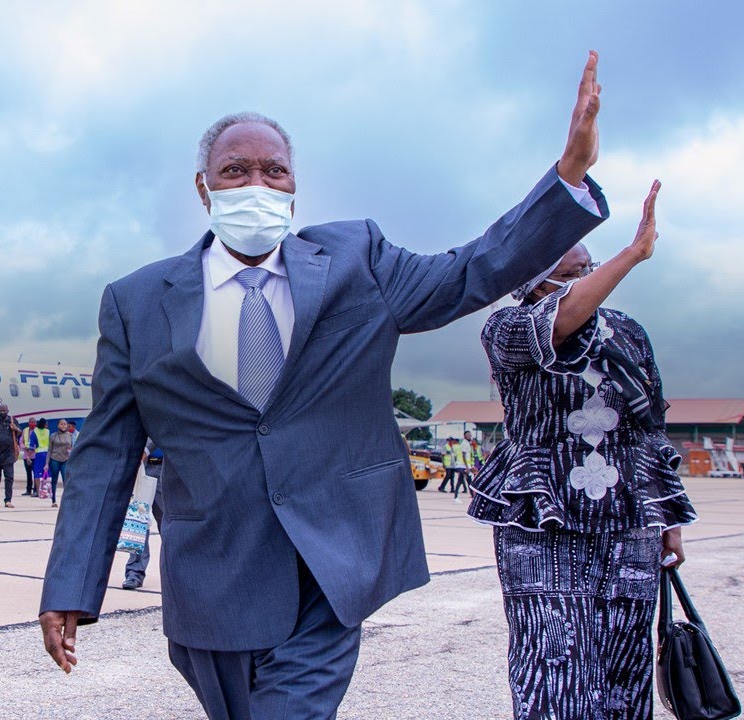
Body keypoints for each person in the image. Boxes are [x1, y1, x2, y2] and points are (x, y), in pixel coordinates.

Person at [40, 52, 611, 719]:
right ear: (204, 188)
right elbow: (106, 454)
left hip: (330, 562)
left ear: (292, 188)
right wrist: (71, 583)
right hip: (214, 571)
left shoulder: (355, 260)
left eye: (272, 170)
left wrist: (567, 175)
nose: (256, 182)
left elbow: (470, 272)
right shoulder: (136, 302)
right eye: (236, 170)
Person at [467, 182, 697, 719]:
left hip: (629, 519)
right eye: (573, 274)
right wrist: (632, 255)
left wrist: (669, 519)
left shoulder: (629, 334)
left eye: (589, 268)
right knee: (555, 665)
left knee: (625, 663)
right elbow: (561, 322)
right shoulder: (507, 328)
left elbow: (651, 428)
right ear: (530, 277)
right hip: (541, 519)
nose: (588, 281)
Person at [122, 441, 164, 590]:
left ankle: (175, 573)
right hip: (142, 468)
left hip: (166, 468)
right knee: (138, 521)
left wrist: (146, 448)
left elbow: (160, 427)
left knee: (168, 524)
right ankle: (134, 573)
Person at [46, 419, 74, 507]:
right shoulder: (53, 436)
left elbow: (72, 447)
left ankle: (66, 500)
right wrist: (46, 463)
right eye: (61, 424)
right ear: (58, 425)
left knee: (66, 480)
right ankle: (53, 500)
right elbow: (49, 450)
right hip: (55, 459)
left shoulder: (70, 435)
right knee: (54, 480)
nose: (63, 426)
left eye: (65, 424)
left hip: (65, 460)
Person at [21, 419, 39, 496]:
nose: (33, 424)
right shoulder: (25, 430)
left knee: (35, 473)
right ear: (28, 423)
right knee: (28, 474)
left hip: (35, 455)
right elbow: (21, 441)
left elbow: (39, 442)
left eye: (34, 422)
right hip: (26, 455)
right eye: (31, 422)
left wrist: (33, 448)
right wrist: (24, 447)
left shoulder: (38, 431)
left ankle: (35, 490)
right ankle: (28, 490)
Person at [33, 418, 51, 488]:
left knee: (37, 474)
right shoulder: (48, 431)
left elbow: (31, 444)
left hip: (38, 454)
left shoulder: (35, 431)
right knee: (47, 473)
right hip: (47, 454)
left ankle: (38, 491)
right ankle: (47, 490)